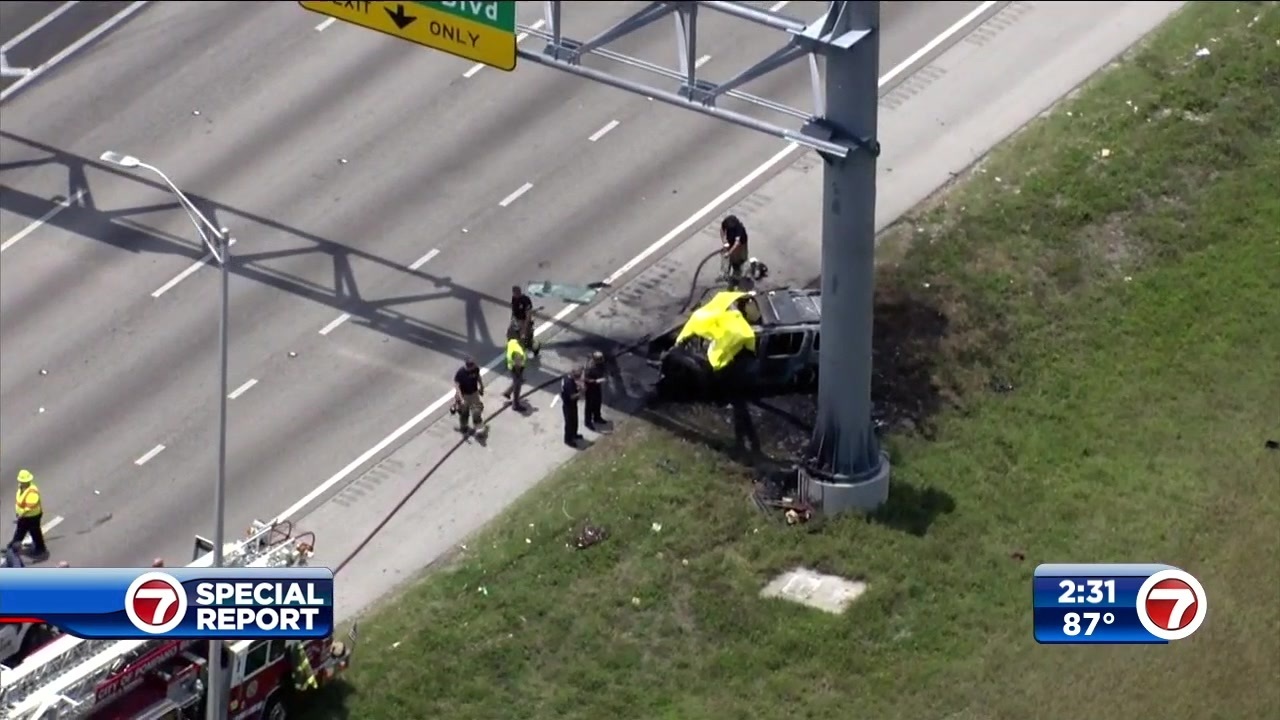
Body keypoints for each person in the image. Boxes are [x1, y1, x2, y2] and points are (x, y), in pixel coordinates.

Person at [10, 469, 46, 557]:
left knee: (35, 532)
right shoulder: (21, 487)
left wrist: (21, 513)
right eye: (22, 481)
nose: (23, 483)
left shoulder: (32, 491)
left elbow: (30, 507)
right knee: (20, 531)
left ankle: (40, 549)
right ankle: (12, 547)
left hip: (33, 516)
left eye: (24, 481)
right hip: (24, 516)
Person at [453, 357, 486, 434]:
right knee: (464, 412)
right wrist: (461, 399)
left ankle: (478, 427)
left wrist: (481, 386)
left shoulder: (476, 369)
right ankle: (463, 427)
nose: (475, 366)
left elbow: (478, 377)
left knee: (477, 410)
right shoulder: (461, 373)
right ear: (469, 366)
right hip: (464, 395)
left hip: (474, 393)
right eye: (473, 365)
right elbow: (457, 386)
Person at [509, 285, 540, 358]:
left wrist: (524, 328)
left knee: (527, 339)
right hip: (517, 320)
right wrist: (512, 320)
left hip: (525, 321)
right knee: (512, 335)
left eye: (516, 293)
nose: (515, 294)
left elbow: (528, 315)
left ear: (519, 292)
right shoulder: (514, 299)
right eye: (514, 293)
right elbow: (513, 310)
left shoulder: (525, 300)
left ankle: (535, 348)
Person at [502, 333, 529, 411]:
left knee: (517, 381)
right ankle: (515, 405)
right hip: (516, 369)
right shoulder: (519, 352)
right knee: (517, 385)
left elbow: (507, 348)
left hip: (511, 366)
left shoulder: (512, 342)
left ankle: (508, 392)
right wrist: (518, 374)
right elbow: (518, 364)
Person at [719, 214, 749, 284]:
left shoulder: (739, 228)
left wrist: (729, 252)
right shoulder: (725, 223)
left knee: (740, 258)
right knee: (730, 258)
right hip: (730, 240)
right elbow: (722, 230)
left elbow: (737, 243)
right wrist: (724, 241)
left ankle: (739, 273)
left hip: (741, 242)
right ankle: (727, 272)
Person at [583, 351, 608, 430]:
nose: (601, 361)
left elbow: (603, 370)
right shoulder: (589, 367)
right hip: (590, 387)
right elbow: (585, 379)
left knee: (598, 402)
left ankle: (597, 417)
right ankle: (588, 422)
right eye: (599, 359)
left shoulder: (600, 364)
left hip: (597, 386)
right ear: (595, 360)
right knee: (589, 406)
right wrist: (596, 381)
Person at [560, 367, 584, 447]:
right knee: (569, 423)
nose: (579, 377)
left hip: (572, 405)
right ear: (574, 374)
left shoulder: (567, 378)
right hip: (568, 405)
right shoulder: (568, 383)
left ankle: (574, 434)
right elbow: (572, 396)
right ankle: (568, 440)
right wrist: (580, 392)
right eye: (578, 376)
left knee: (574, 421)